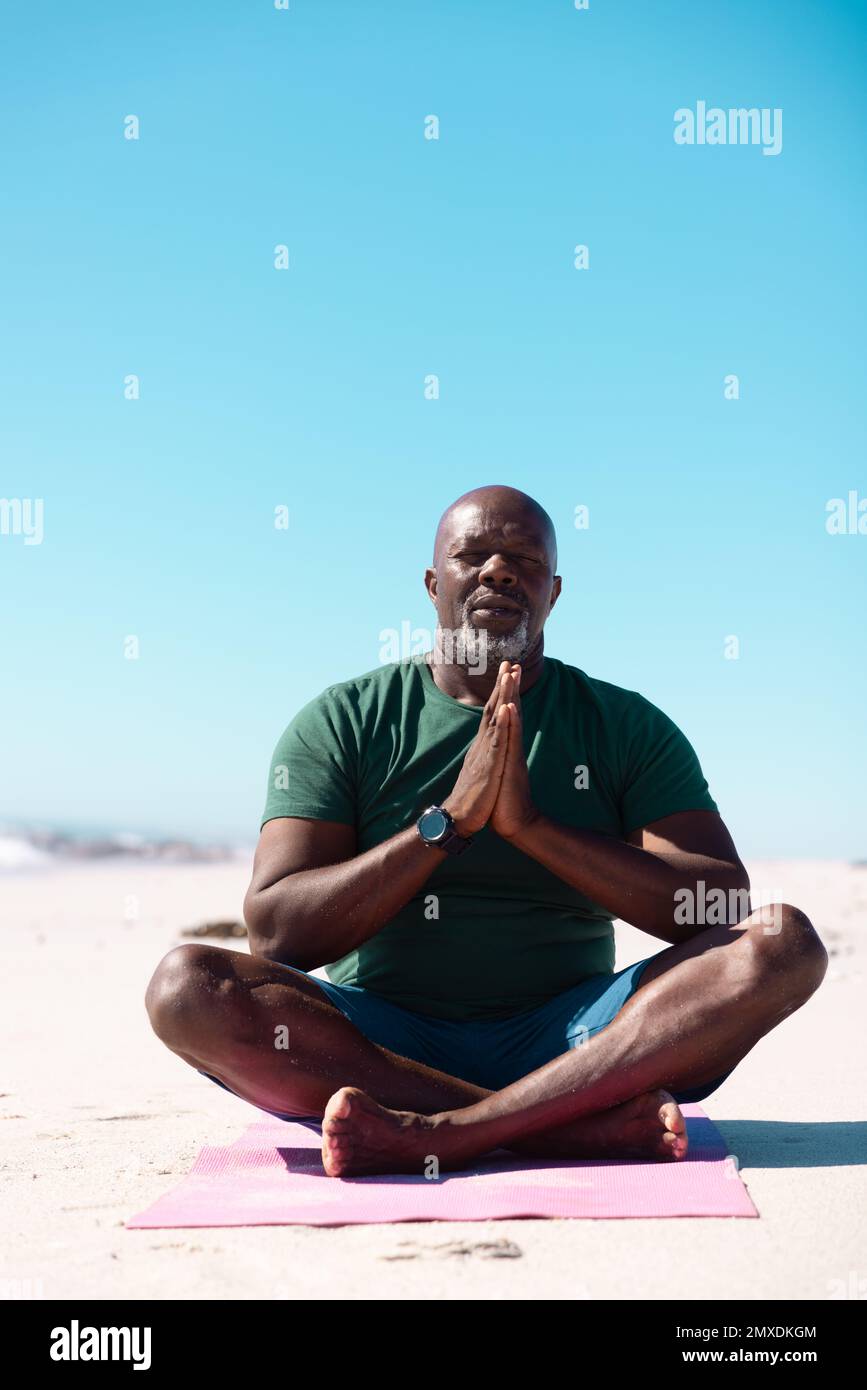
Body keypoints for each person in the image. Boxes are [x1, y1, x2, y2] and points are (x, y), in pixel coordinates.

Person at [145, 485, 827, 1176]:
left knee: (781, 942)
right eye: (471, 556)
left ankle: (455, 1131)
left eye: (523, 561)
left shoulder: (622, 724)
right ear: (432, 583)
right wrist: (443, 828)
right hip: (380, 1046)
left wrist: (532, 828)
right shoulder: (344, 720)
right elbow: (279, 934)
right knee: (187, 989)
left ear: (552, 593)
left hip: (583, 1039)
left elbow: (715, 907)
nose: (498, 571)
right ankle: (552, 1130)